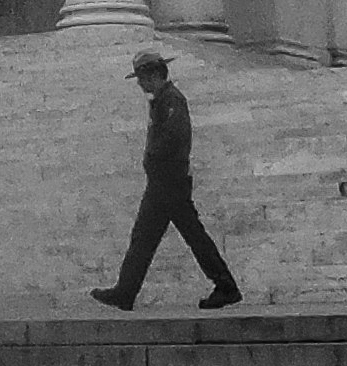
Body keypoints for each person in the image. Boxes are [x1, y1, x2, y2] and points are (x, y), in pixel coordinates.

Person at [91, 47, 241, 311]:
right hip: (165, 182)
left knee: (154, 237)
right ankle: (224, 286)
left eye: (142, 77)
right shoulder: (163, 100)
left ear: (155, 75)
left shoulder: (172, 100)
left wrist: (154, 159)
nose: (139, 83)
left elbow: (173, 138)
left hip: (167, 183)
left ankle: (127, 292)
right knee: (169, 237)